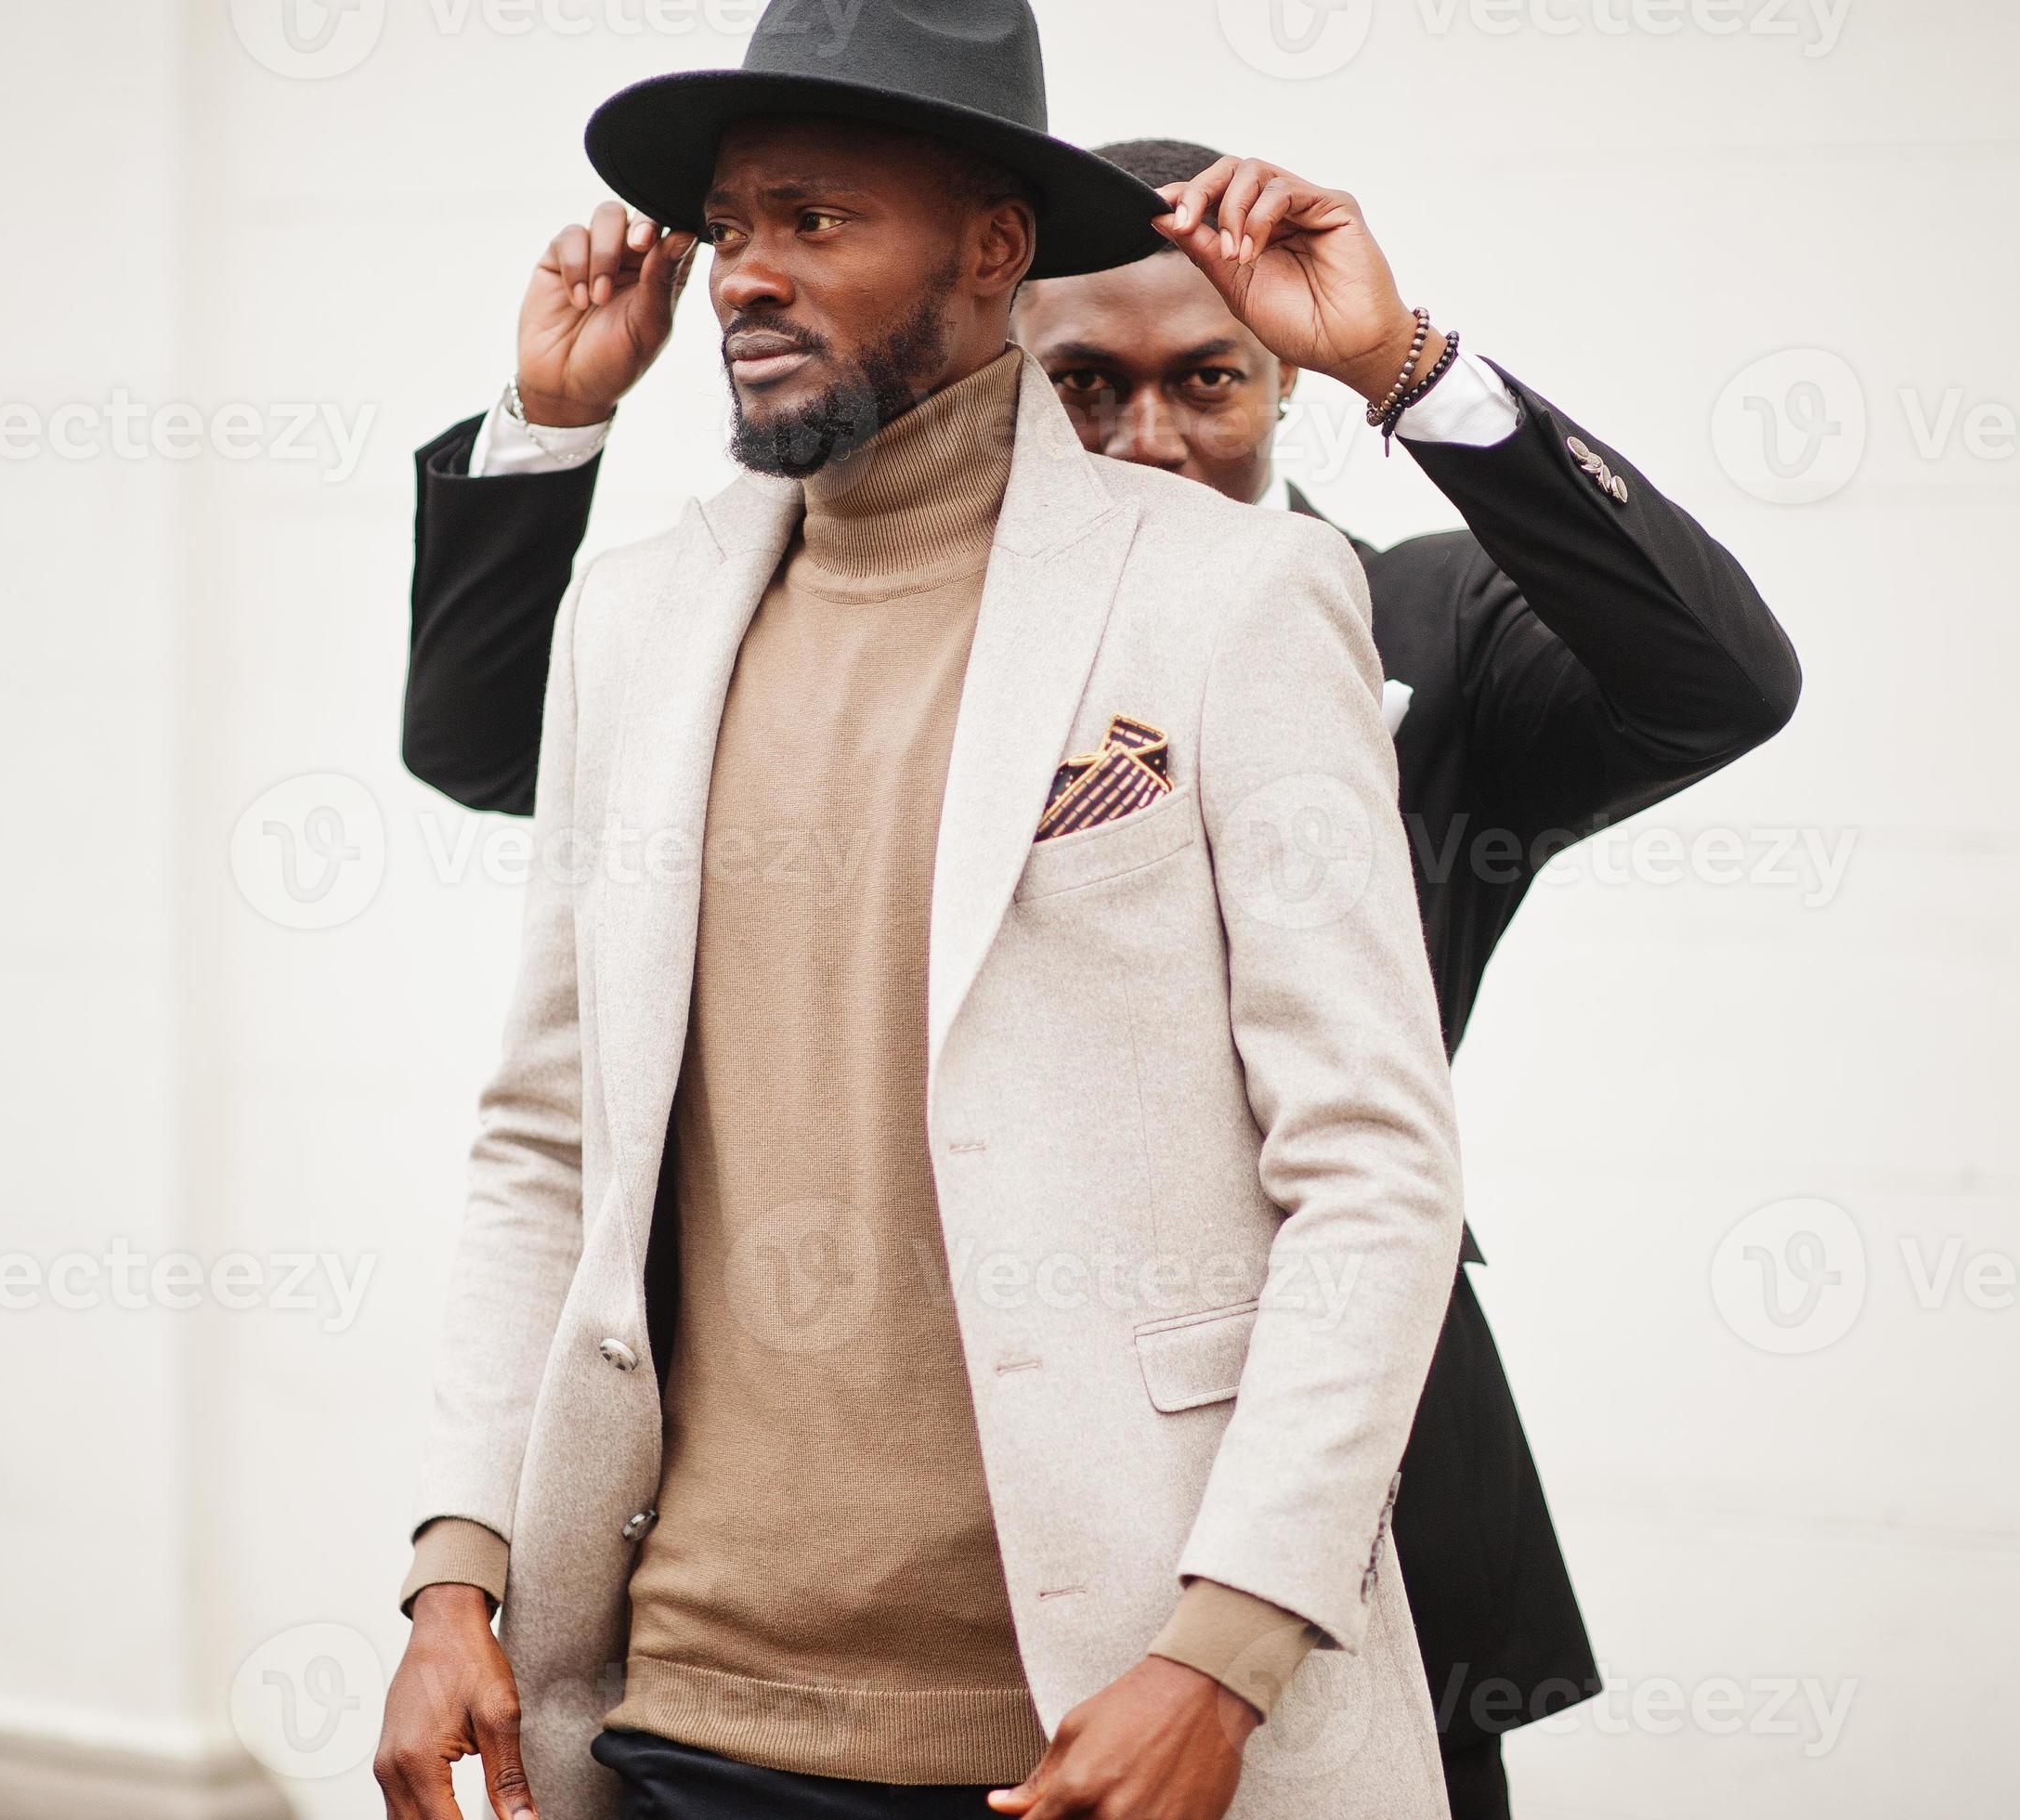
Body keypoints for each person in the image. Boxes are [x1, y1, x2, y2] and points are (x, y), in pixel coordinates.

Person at [391, 124, 1802, 1820]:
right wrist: (555, 425)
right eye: (1085, 386)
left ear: (1279, 391)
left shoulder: (1379, 617)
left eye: (1209, 379)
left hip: (1346, 1506)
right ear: (997, 348)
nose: (1150, 438)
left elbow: (1712, 681)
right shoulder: (805, 615)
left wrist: (1401, 366)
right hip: (836, 1598)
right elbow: (498, 757)